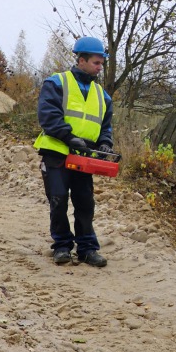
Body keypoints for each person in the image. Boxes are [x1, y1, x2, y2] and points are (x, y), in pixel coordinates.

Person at [34, 36, 114, 267]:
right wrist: (69, 137)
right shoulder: (57, 83)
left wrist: (105, 143)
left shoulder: (102, 95)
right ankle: (62, 246)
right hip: (56, 152)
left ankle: (87, 249)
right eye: (96, 63)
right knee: (58, 200)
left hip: (84, 157)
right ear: (81, 60)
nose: (100, 68)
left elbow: (105, 126)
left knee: (85, 203)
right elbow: (48, 116)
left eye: (101, 63)